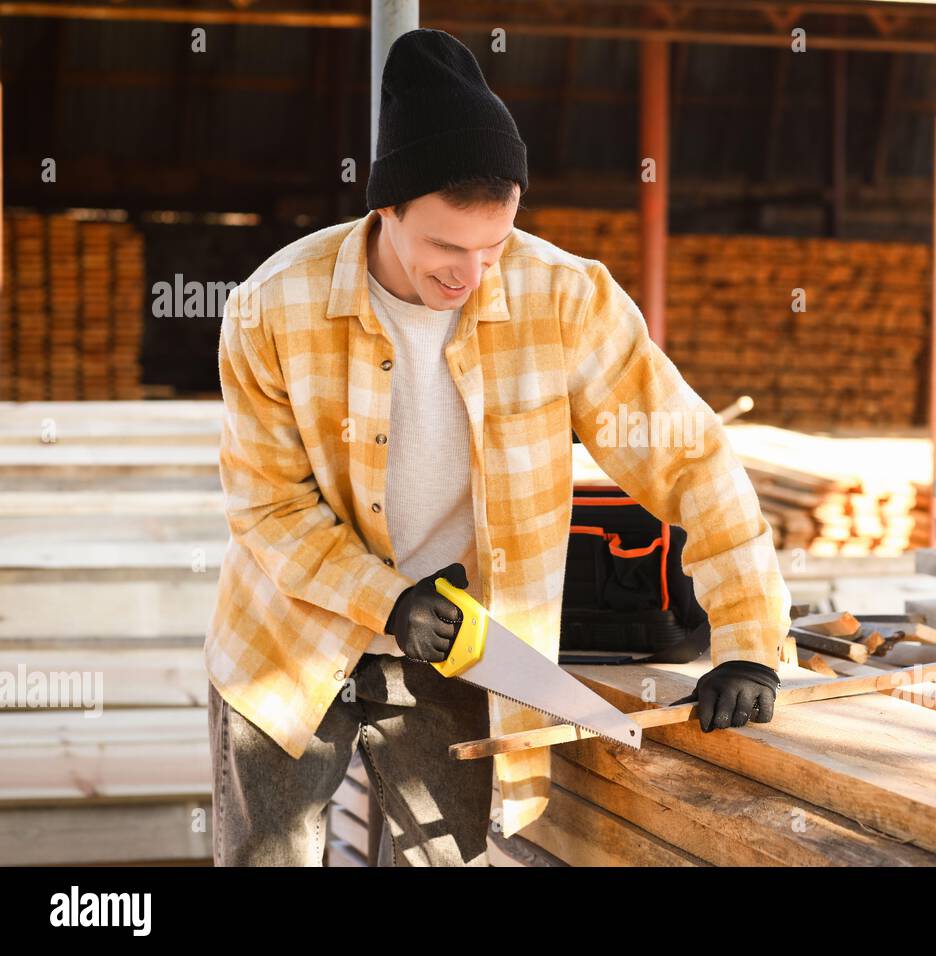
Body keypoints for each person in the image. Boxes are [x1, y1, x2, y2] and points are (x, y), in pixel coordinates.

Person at [205, 27, 791, 867]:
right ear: (386, 209)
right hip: (285, 641)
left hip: (464, 651)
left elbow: (690, 458)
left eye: (494, 245)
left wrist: (747, 642)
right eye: (446, 246)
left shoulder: (567, 298)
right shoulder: (272, 308)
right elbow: (266, 507)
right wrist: (390, 601)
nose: (470, 275)